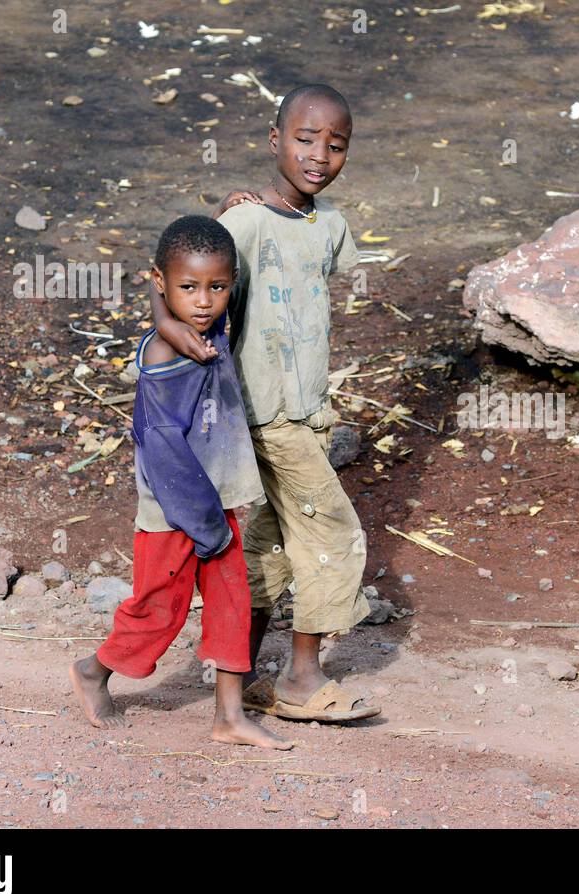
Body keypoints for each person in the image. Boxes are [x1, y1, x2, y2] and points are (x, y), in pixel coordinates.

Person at [151, 84, 380, 722]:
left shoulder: (329, 225)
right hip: (264, 412)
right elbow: (178, 281)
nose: (319, 155)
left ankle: (243, 674)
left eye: (336, 145)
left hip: (307, 411)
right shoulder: (245, 222)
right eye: (305, 139)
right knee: (330, 530)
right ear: (274, 140)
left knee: (274, 541)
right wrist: (175, 335)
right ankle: (302, 679)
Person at [69, 215, 293, 748]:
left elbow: (189, 271)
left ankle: (229, 717)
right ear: (162, 282)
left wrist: (220, 210)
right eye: (188, 288)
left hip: (220, 507)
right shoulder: (168, 353)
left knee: (233, 606)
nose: (203, 300)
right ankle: (94, 671)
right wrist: (203, 525)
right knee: (158, 611)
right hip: (176, 515)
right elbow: (164, 451)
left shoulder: (206, 327)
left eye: (217, 287)